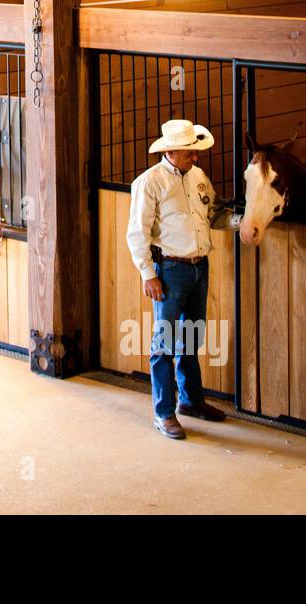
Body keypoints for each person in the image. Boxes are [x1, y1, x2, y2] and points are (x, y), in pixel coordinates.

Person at [125, 119, 233, 440]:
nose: (195, 157)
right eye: (189, 152)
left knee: (192, 335)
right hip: (170, 269)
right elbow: (137, 232)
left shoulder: (198, 177)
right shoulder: (150, 183)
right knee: (164, 343)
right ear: (171, 151)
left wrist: (242, 219)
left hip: (199, 266)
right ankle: (164, 411)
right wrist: (148, 273)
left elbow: (213, 214)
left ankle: (191, 400)